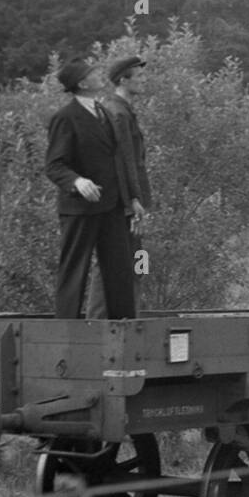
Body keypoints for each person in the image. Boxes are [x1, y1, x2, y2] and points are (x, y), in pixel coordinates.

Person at [45, 57, 137, 319]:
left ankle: (124, 328)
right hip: (80, 208)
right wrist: (77, 181)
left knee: (119, 271)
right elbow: (54, 165)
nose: (100, 75)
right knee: (75, 271)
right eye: (93, 73)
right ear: (82, 83)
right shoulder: (65, 118)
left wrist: (132, 198)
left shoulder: (104, 111)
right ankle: (66, 331)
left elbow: (118, 158)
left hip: (112, 206)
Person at [86, 55, 151, 320]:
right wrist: (133, 200)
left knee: (133, 259)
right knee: (115, 260)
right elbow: (122, 160)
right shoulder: (117, 111)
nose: (143, 80)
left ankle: (124, 317)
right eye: (138, 76)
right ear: (123, 80)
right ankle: (100, 321)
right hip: (122, 203)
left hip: (124, 201)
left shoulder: (120, 109)